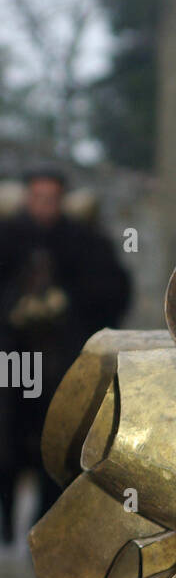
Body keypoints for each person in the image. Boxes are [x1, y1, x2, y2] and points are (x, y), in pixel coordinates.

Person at [0, 164, 131, 540]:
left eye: (52, 198)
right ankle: (6, 523)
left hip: (61, 365)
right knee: (7, 440)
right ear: (27, 197)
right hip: (14, 361)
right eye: (38, 197)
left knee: (57, 441)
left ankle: (43, 523)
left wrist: (68, 304)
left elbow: (112, 291)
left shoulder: (83, 241)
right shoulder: (7, 236)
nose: (45, 205)